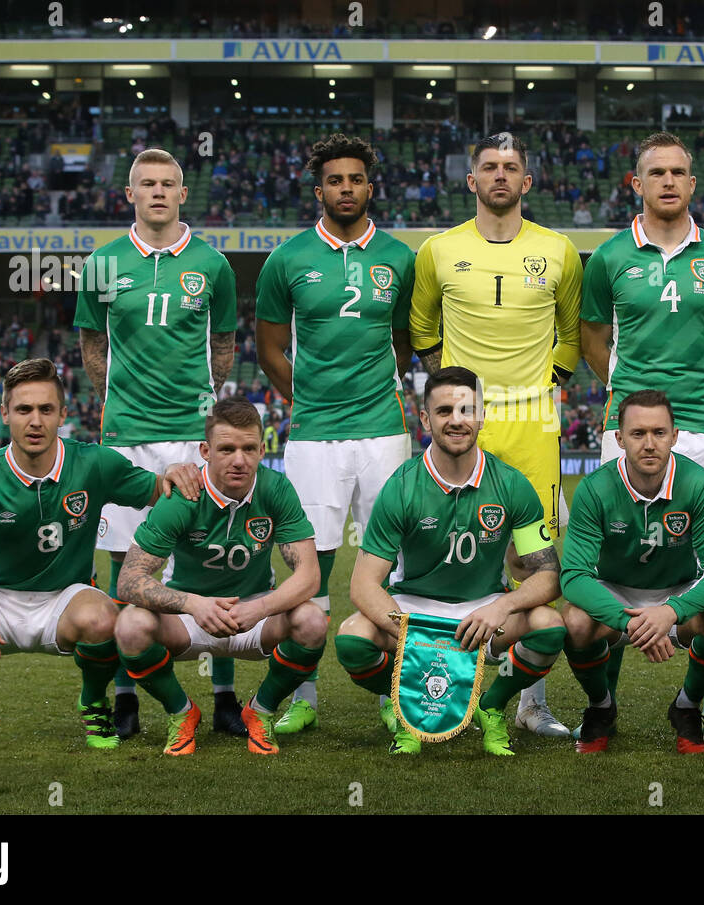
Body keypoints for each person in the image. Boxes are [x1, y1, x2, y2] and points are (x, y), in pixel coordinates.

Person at [0, 358, 200, 751]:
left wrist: (176, 475)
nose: (35, 421)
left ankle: (93, 703)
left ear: (63, 414)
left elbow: (159, 490)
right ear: (5, 414)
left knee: (104, 616)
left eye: (46, 409)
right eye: (24, 409)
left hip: (66, 600)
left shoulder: (93, 463)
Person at [409, 132, 582, 738]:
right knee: (443, 551)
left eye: (512, 167)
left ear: (527, 182)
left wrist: (546, 383)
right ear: (471, 180)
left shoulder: (559, 250)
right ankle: (430, 690)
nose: (500, 175)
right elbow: (422, 328)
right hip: (465, 428)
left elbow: (571, 333)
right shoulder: (437, 250)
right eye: (489, 167)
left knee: (533, 559)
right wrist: (458, 395)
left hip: (535, 424)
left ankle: (531, 702)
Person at [579, 131, 704, 737]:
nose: (669, 181)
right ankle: (604, 704)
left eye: (679, 171)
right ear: (637, 183)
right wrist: (630, 400)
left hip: (703, 425)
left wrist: (689, 389)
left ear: (693, 182)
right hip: (626, 429)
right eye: (657, 173)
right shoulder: (608, 258)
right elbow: (592, 339)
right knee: (611, 562)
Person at [75, 148, 241, 740]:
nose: (158, 192)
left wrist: (201, 409)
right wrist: (118, 401)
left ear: (181, 193)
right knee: (126, 567)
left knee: (206, 562)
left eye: (168, 183)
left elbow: (222, 343)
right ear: (130, 194)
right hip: (124, 439)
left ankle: (223, 695)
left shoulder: (211, 265)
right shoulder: (102, 263)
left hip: (190, 435)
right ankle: (126, 696)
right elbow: (93, 344)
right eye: (147, 184)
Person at [255, 134, 415, 736]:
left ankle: (392, 687)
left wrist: (372, 388)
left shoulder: (399, 257)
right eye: (334, 181)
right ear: (318, 189)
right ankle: (303, 695)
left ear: (369, 186)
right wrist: (310, 399)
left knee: (397, 561)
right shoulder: (287, 259)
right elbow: (271, 350)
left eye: (355, 180)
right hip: (314, 435)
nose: (345, 189)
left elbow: (403, 341)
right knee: (308, 564)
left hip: (383, 431)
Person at [336, 367, 566, 755]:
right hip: (414, 609)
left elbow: (548, 575)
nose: (456, 420)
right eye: (444, 411)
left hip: (484, 610)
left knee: (550, 625)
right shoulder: (402, 486)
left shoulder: (512, 484)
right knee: (351, 639)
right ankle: (401, 701)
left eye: (466, 410)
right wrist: (411, 635)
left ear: (481, 416)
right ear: (425, 419)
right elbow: (363, 585)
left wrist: (503, 605)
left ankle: (489, 705)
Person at [115, 398, 324, 756]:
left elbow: (309, 575)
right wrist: (194, 604)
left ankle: (260, 712)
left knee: (313, 621)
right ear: (206, 451)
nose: (239, 460)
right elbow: (129, 580)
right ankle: (182, 713)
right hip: (186, 618)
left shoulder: (275, 490)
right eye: (227, 449)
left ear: (262, 449)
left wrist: (259, 608)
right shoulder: (183, 497)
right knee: (130, 627)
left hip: (254, 614)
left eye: (247, 448)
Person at [560, 390, 704, 753]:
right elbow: (574, 576)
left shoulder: (699, 483)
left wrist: (671, 611)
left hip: (678, 591)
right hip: (616, 593)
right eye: (638, 433)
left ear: (674, 436)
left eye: (659, 433)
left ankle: (687, 707)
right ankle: (601, 707)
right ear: (619, 438)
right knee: (575, 621)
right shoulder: (595, 489)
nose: (649, 444)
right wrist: (631, 621)